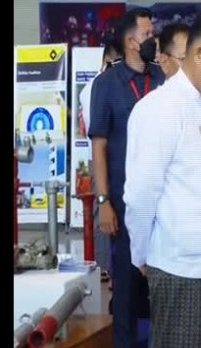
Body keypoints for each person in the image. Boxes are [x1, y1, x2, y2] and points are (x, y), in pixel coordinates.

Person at [123, 7, 201, 348]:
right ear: (199, 53)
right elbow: (141, 195)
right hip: (178, 271)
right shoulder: (160, 108)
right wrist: (142, 256)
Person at [89, 7, 164, 348]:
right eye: (148, 35)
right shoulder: (106, 85)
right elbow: (99, 148)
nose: (154, 40)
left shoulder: (160, 79)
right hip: (122, 204)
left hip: (161, 205)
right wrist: (103, 202)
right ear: (132, 41)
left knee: (158, 286)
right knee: (126, 288)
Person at [80, 41, 121, 284]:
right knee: (100, 214)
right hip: (98, 161)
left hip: (109, 160)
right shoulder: (95, 87)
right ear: (107, 61)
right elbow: (100, 134)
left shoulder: (104, 85)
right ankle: (102, 266)